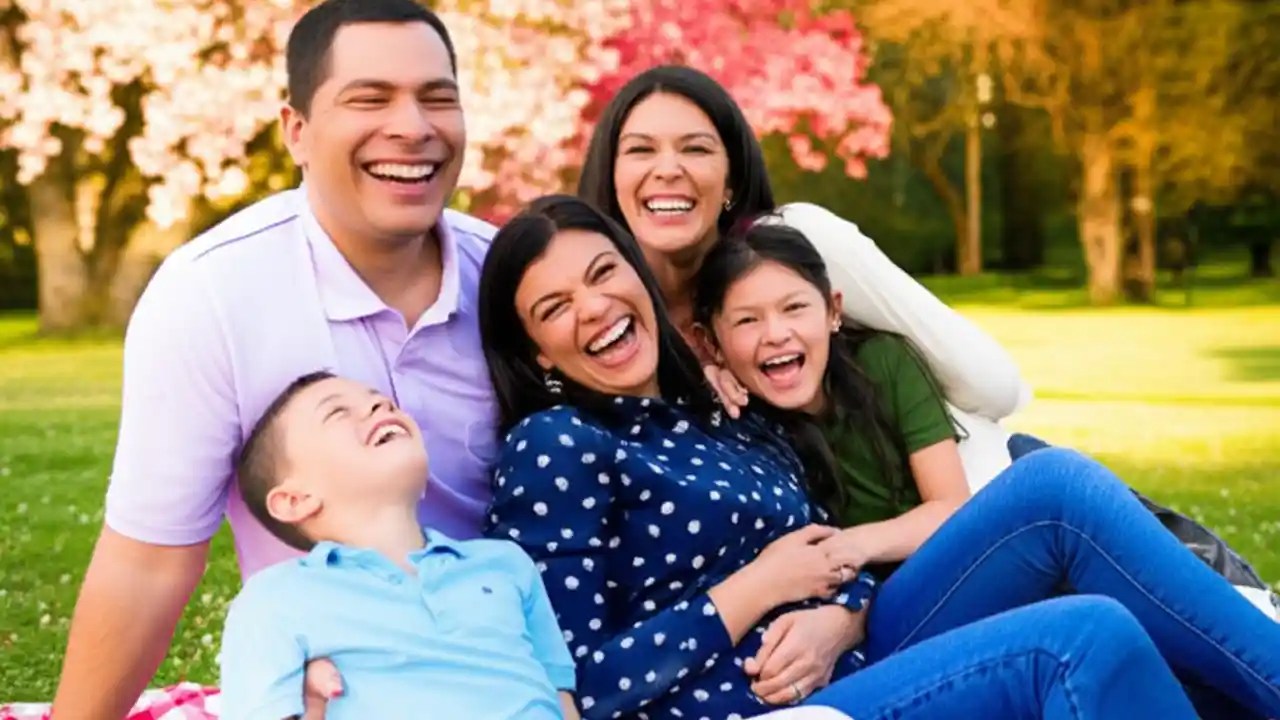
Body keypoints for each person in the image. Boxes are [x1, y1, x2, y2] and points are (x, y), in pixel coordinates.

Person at [475, 194, 1203, 720]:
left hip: (857, 650)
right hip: (743, 705)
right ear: (537, 351)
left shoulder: (715, 409)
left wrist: (845, 617)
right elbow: (577, 685)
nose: (595, 305)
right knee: (1082, 636)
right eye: (556, 306)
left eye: (604, 273)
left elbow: (822, 542)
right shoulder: (558, 444)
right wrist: (755, 590)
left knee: (1053, 484)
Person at [52, 1, 502, 717]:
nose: (413, 128)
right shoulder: (212, 294)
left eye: (437, 98)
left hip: (523, 662)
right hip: (329, 684)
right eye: (370, 98)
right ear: (296, 130)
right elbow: (149, 559)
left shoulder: (510, 278)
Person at [691, 219, 1280, 720]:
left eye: (795, 308)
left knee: (1064, 503)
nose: (776, 333)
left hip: (928, 586)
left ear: (834, 311)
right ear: (712, 341)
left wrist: (849, 546)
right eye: (746, 321)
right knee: (1054, 489)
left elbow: (949, 506)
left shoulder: (882, 365)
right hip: (871, 632)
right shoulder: (731, 421)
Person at [577, 64, 1027, 489]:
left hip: (981, 488)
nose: (669, 168)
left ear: (732, 179)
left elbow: (993, 384)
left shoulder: (803, 241)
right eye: (640, 149)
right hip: (847, 556)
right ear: (611, 176)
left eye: (695, 148)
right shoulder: (603, 322)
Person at [217, 371, 578, 719]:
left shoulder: (505, 563)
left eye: (381, 401)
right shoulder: (274, 599)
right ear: (296, 499)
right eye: (337, 412)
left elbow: (560, 697)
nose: (380, 408)